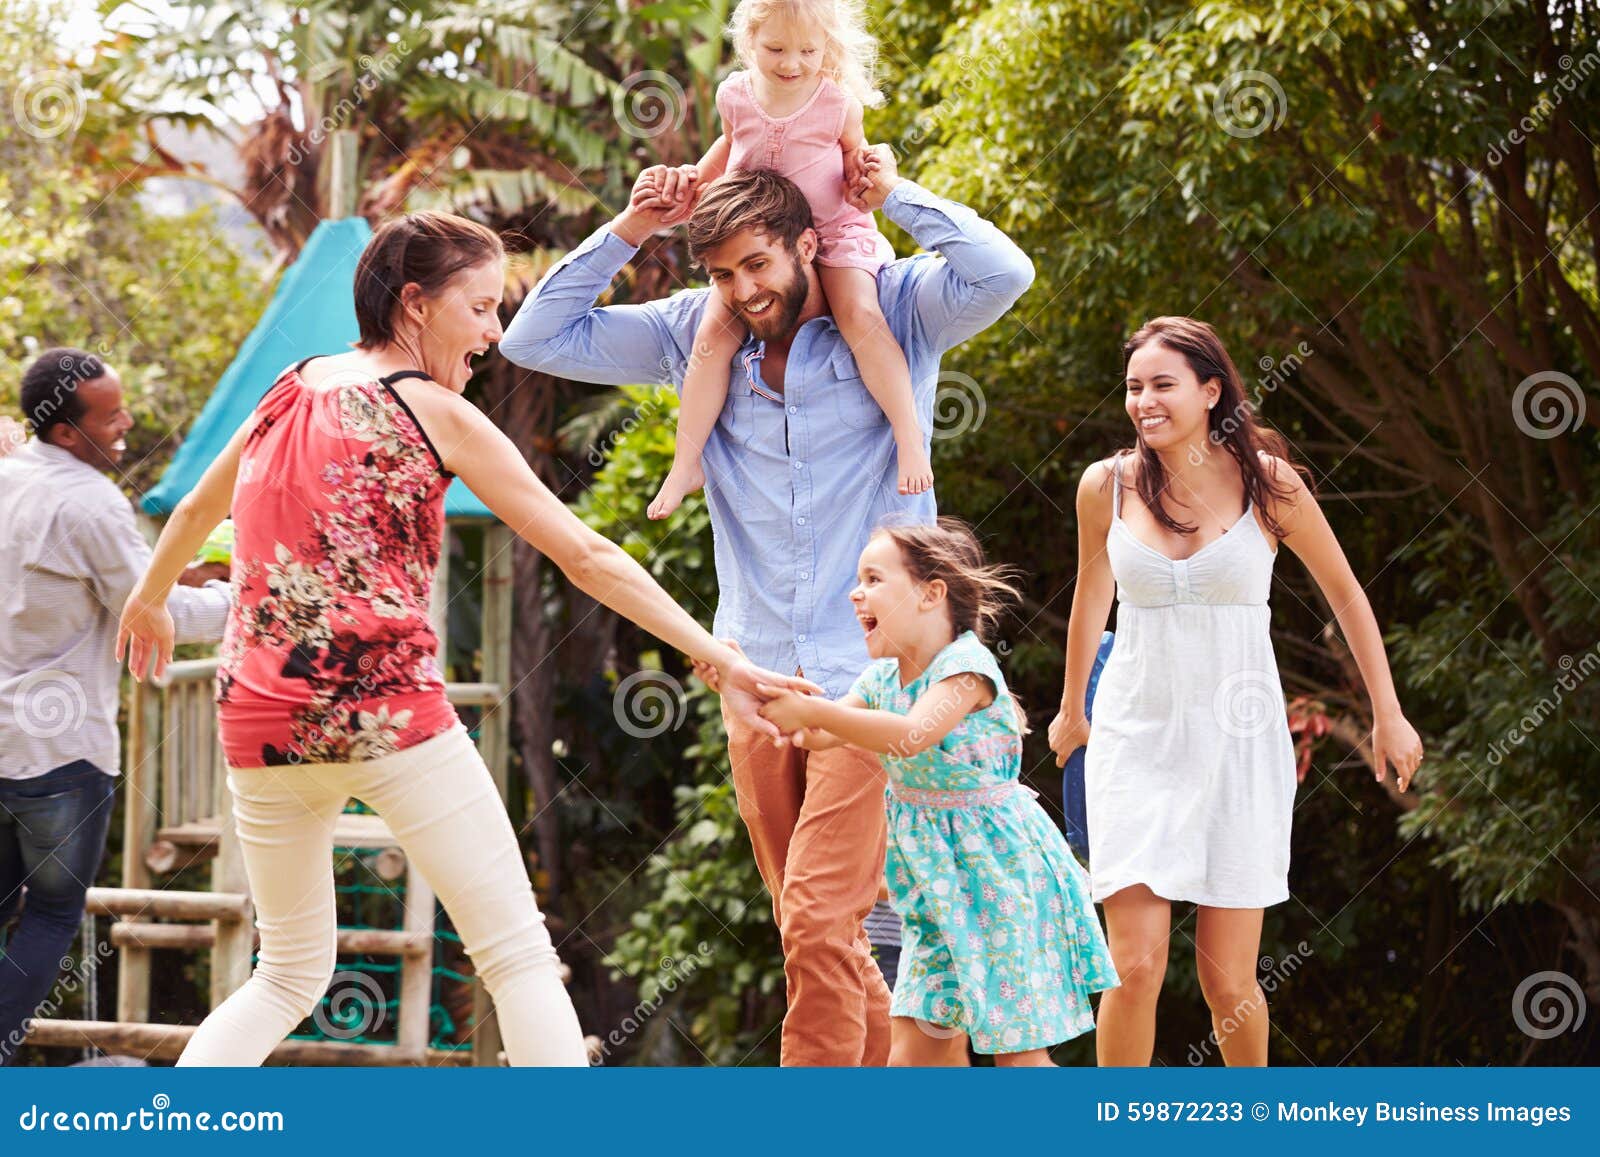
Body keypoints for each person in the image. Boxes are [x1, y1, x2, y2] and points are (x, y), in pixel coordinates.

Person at [114, 211, 818, 1067]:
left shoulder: (290, 386)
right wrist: (725, 659)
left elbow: (195, 510)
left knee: (288, 972)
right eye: (480, 308)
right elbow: (585, 554)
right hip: (383, 714)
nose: (493, 332)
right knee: (517, 955)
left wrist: (151, 598)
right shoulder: (436, 411)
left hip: (259, 718)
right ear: (415, 303)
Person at [500, 152, 1033, 1066]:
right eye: (721, 274)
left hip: (868, 684)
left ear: (805, 243)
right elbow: (533, 339)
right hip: (754, 680)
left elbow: (1005, 272)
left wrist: (893, 197)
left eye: (759, 265)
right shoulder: (693, 338)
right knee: (815, 928)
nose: (744, 290)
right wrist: (631, 229)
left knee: (822, 921)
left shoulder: (895, 307)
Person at [1045, 316, 1425, 1066]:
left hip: (1237, 745)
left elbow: (1345, 593)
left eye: (1162, 385)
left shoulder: (1268, 483)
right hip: (1134, 736)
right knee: (1135, 964)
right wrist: (1070, 709)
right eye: (1133, 387)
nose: (1143, 401)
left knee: (1228, 981)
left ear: (1211, 390)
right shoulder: (1106, 485)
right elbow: (1092, 595)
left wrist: (1389, 711)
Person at [755, 518, 1119, 1066]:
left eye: (874, 579)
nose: (856, 593)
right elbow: (818, 735)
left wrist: (810, 710)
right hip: (937, 897)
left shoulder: (966, 669)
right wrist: (760, 691)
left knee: (1019, 1057)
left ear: (931, 594)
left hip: (1001, 884)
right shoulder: (880, 680)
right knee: (912, 1057)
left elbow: (911, 736)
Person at [0, 349, 230, 1064]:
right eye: (111, 414)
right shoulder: (93, 501)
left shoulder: (10, 477)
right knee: (53, 909)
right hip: (61, 754)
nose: (127, 421)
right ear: (68, 431)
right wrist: (237, 595)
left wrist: (172, 571)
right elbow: (151, 612)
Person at [644, 0, 931, 519]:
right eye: (775, 48)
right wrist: (695, 177)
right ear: (749, 41)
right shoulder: (734, 94)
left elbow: (854, 160)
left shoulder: (836, 103)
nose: (791, 63)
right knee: (712, 336)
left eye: (808, 50)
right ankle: (687, 461)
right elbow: (728, 144)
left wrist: (869, 177)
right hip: (758, 239)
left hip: (833, 228)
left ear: (827, 48)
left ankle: (909, 438)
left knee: (860, 317)